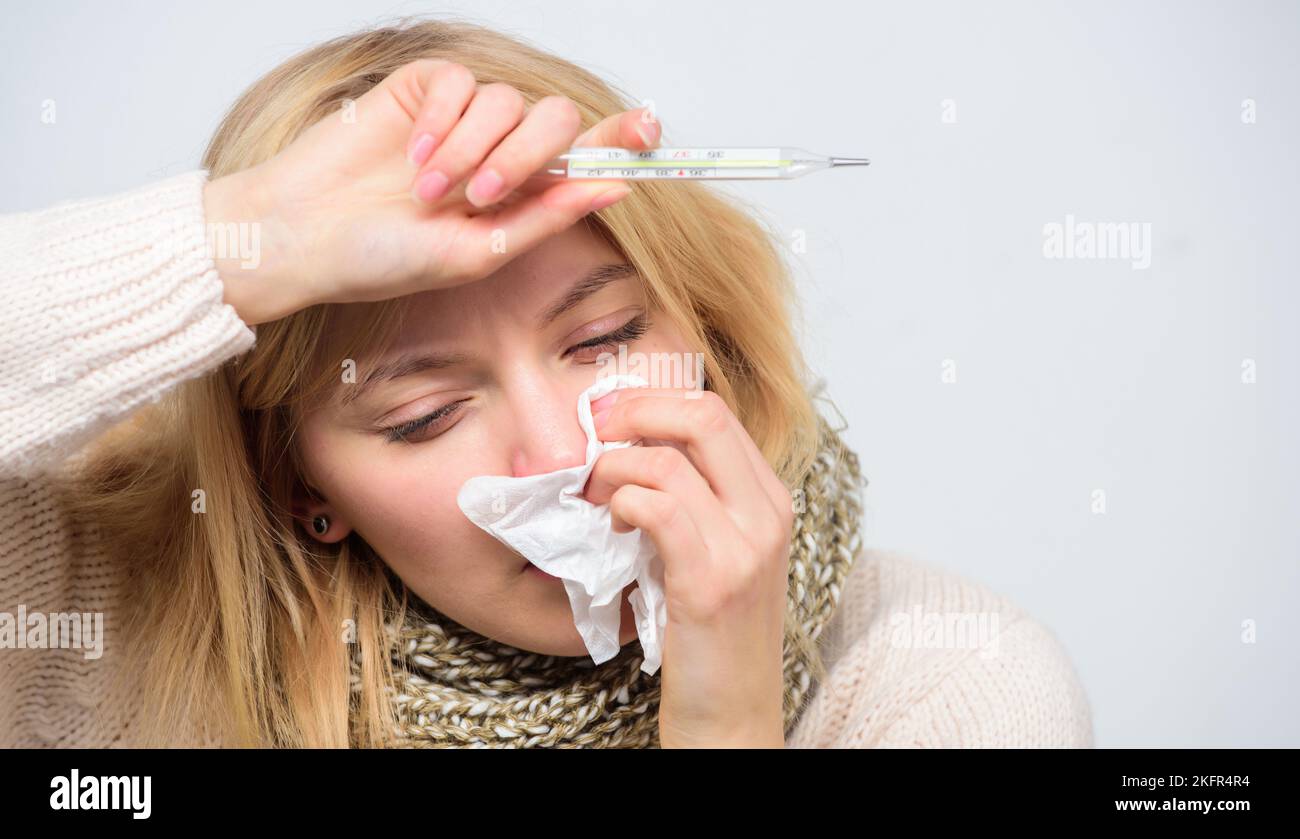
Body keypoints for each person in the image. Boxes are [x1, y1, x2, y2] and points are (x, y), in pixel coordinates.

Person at [0, 18, 1094, 748]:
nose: (563, 458)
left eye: (606, 335)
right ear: (300, 488)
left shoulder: (943, 681)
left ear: (704, 333)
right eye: (424, 414)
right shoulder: (89, 631)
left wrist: (724, 715)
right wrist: (245, 243)